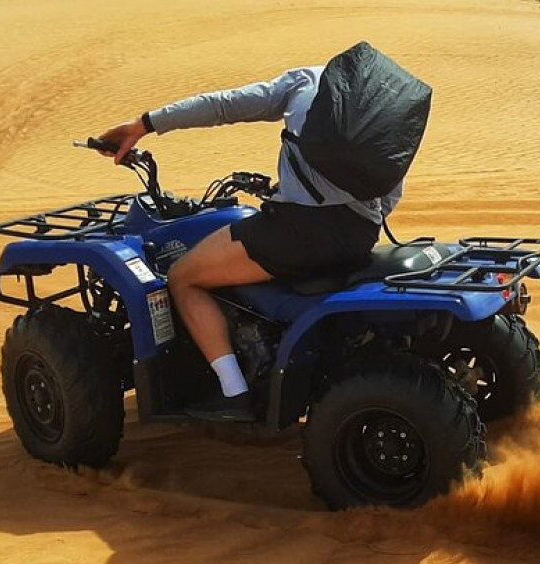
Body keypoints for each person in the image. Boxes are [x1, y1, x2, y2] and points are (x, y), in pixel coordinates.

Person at [99, 66, 402, 422]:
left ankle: (234, 392)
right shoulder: (380, 101)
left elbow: (223, 106)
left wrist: (144, 124)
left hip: (298, 232)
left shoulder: (307, 79)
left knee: (183, 277)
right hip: (359, 233)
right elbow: (392, 176)